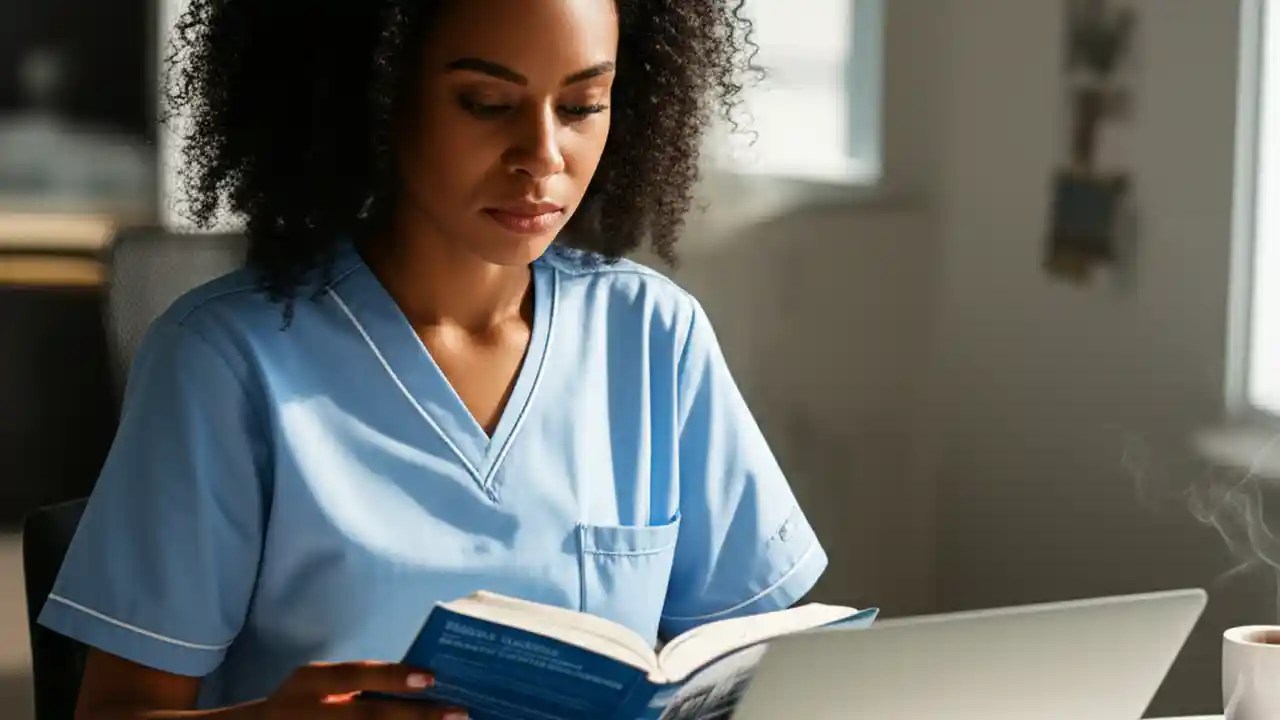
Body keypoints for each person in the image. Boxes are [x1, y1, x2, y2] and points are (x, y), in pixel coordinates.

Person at [39, 0, 830, 717]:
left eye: (584, 104)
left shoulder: (654, 335)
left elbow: (756, 672)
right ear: (374, 99)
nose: (544, 155)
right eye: (487, 104)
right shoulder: (225, 361)